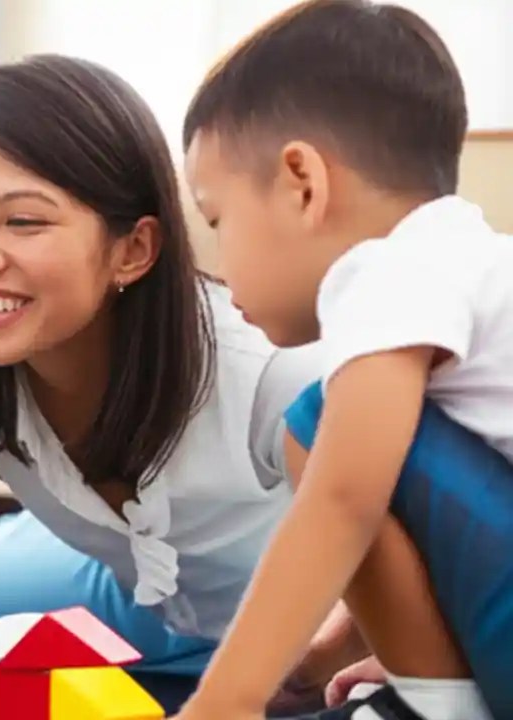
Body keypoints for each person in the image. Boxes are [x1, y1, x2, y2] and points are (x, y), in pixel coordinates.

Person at [0, 54, 341, 713]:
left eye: (24, 221)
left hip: (281, 627)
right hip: (117, 595)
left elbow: (419, 575)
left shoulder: (270, 366)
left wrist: (304, 665)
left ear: (133, 249)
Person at [177, 1, 511, 719]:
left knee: (316, 423)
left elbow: (344, 500)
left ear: (302, 183)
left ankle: (434, 710)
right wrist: (331, 649)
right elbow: (425, 502)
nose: (215, 254)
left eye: (217, 218)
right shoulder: (463, 260)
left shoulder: (387, 272)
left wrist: (226, 698)